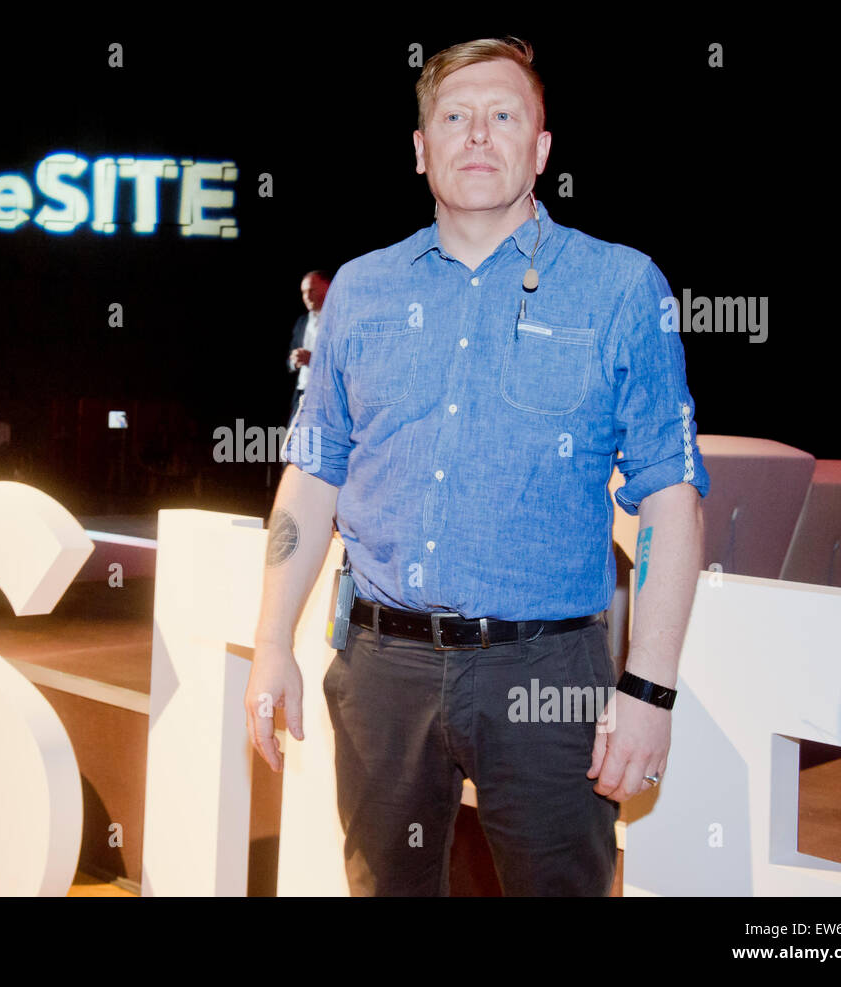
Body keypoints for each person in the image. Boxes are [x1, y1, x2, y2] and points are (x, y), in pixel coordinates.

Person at [247, 37, 708, 896]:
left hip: (545, 677)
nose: (477, 135)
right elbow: (312, 477)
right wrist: (272, 643)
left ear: (541, 148)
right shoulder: (359, 289)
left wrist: (650, 688)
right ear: (421, 149)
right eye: (453, 117)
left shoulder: (621, 287)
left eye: (504, 116)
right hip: (382, 669)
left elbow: (671, 503)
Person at [286, 271, 330, 426]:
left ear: (327, 287)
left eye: (311, 290)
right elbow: (289, 361)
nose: (306, 296)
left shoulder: (338, 320)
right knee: (293, 444)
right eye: (304, 292)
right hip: (301, 394)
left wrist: (314, 360)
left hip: (327, 395)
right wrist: (294, 361)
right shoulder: (301, 322)